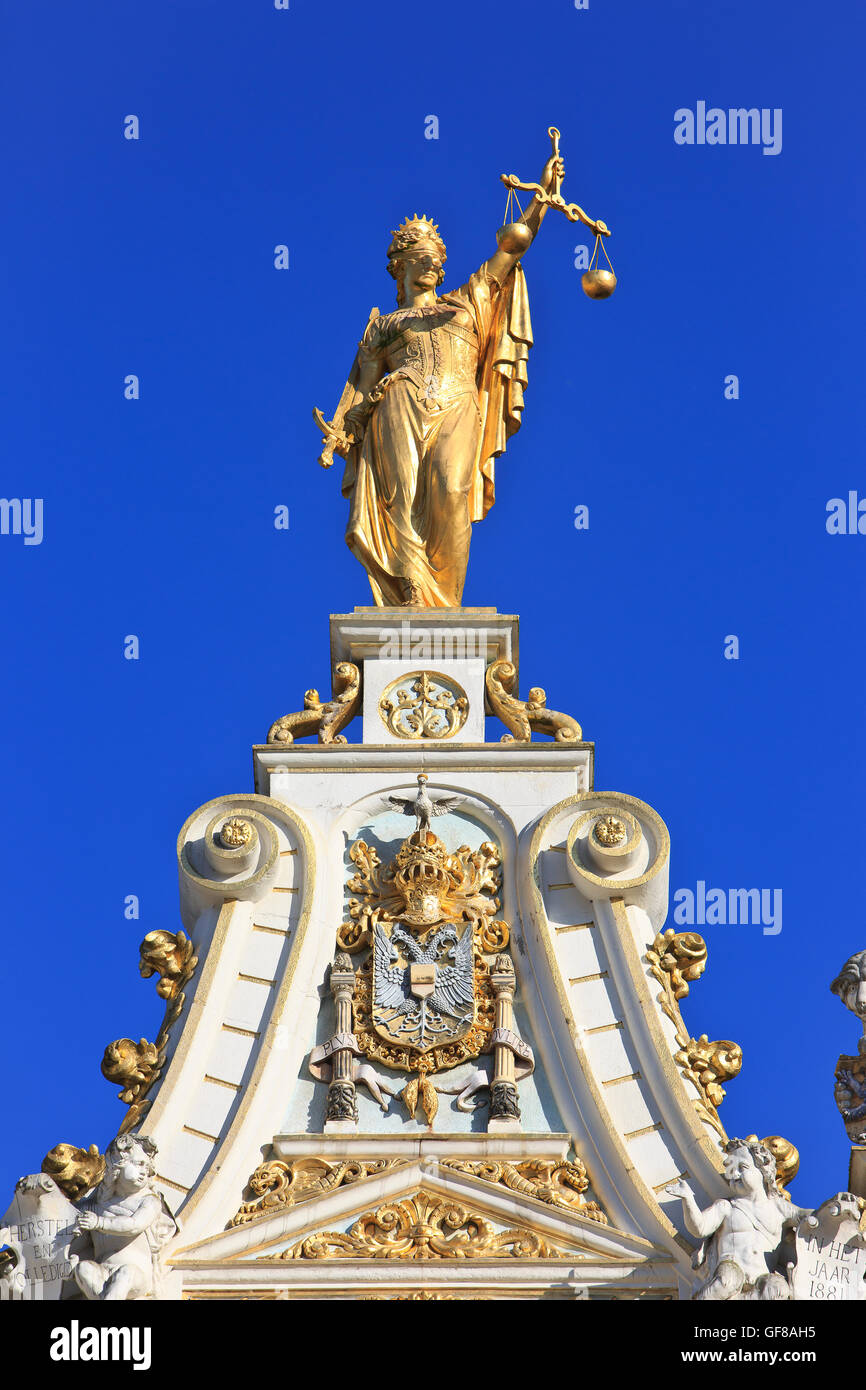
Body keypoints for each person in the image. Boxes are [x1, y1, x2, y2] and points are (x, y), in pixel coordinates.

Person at [324, 152, 563, 608]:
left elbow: (511, 249)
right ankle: (410, 587)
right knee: (402, 495)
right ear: (402, 267)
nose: (433, 266)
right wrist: (345, 429)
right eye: (423, 259)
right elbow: (362, 388)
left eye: (437, 259)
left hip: (457, 402)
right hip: (399, 400)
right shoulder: (382, 326)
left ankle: (444, 601)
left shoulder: (468, 300)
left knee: (452, 489)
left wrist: (541, 198)